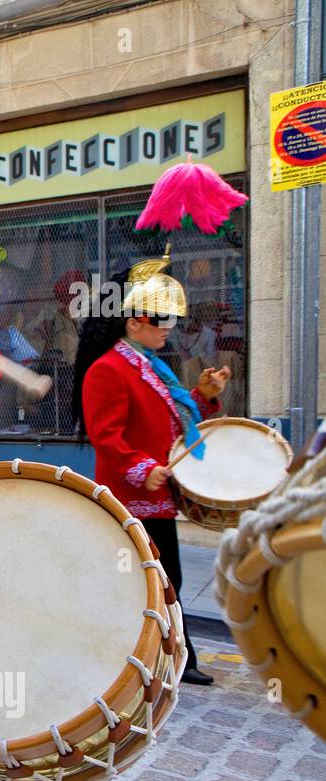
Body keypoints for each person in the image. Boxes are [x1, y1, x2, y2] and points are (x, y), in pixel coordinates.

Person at [73, 253, 229, 686]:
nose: (168, 327)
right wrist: (144, 470)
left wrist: (204, 393)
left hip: (157, 498)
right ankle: (163, 659)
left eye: (169, 319)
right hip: (132, 499)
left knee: (163, 581)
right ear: (133, 321)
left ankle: (172, 658)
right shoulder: (108, 370)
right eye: (160, 318)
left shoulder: (150, 366)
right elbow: (108, 437)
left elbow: (171, 424)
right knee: (148, 583)